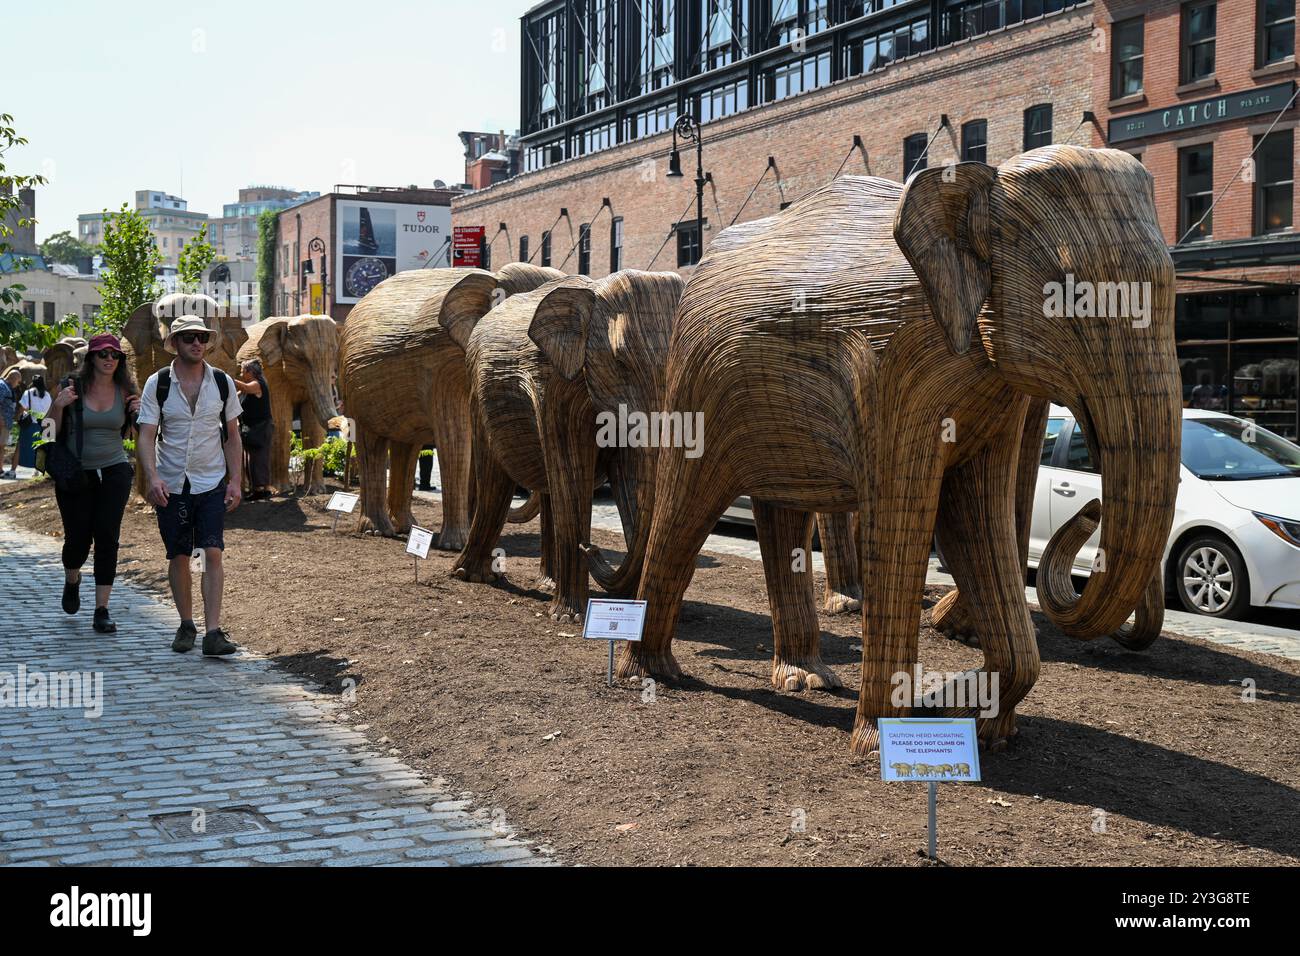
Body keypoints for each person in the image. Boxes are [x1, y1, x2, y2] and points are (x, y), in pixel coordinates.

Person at [137, 313, 244, 656]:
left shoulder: (223, 383)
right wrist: (152, 478)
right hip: (171, 483)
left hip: (211, 480)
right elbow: (146, 435)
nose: (197, 342)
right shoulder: (159, 383)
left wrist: (236, 480)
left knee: (213, 551)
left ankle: (213, 632)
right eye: (188, 338)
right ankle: (186, 624)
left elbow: (232, 436)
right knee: (180, 554)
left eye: (201, 337)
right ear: (175, 344)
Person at [48, 335, 141, 633]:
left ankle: (102, 609)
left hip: (114, 470)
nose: (109, 358)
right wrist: (58, 407)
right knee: (77, 540)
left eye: (115, 354)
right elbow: (49, 431)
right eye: (102, 354)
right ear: (91, 358)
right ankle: (72, 579)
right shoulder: (71, 387)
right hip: (76, 474)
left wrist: (139, 411)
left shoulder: (126, 389)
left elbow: (141, 430)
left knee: (107, 537)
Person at [234, 358, 272, 500]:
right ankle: (257, 489)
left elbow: (245, 388)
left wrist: (228, 379)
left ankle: (262, 490)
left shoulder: (258, 384)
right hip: (251, 428)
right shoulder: (247, 387)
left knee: (259, 458)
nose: (241, 373)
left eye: (243, 371)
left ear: (251, 372)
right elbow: (238, 394)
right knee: (252, 459)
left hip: (261, 427)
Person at [17, 374, 52, 471]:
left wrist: (18, 418)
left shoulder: (28, 393)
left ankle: (12, 470)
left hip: (29, 425)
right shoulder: (47, 395)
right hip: (44, 425)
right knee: (41, 449)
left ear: (33, 382)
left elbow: (22, 409)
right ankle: (38, 470)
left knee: (20, 446)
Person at [0, 368, 20, 479]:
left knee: (1, 446)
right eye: (18, 381)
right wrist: (0, 418)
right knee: (1, 446)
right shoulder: (2, 386)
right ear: (13, 378)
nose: (18, 385)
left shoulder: (8, 387)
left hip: (5, 422)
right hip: (2, 422)